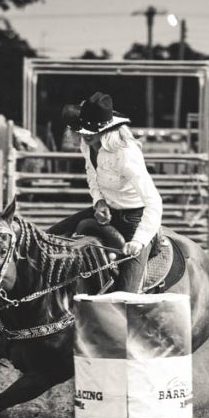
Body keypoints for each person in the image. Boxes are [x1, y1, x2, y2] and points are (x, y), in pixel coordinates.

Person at [52, 92, 163, 294]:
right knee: (49, 238)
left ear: (107, 129)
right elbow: (92, 176)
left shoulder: (125, 153)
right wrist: (99, 203)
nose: (85, 135)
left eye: (91, 130)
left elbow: (154, 201)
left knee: (125, 296)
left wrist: (138, 240)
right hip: (108, 211)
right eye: (82, 129)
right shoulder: (87, 145)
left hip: (134, 219)